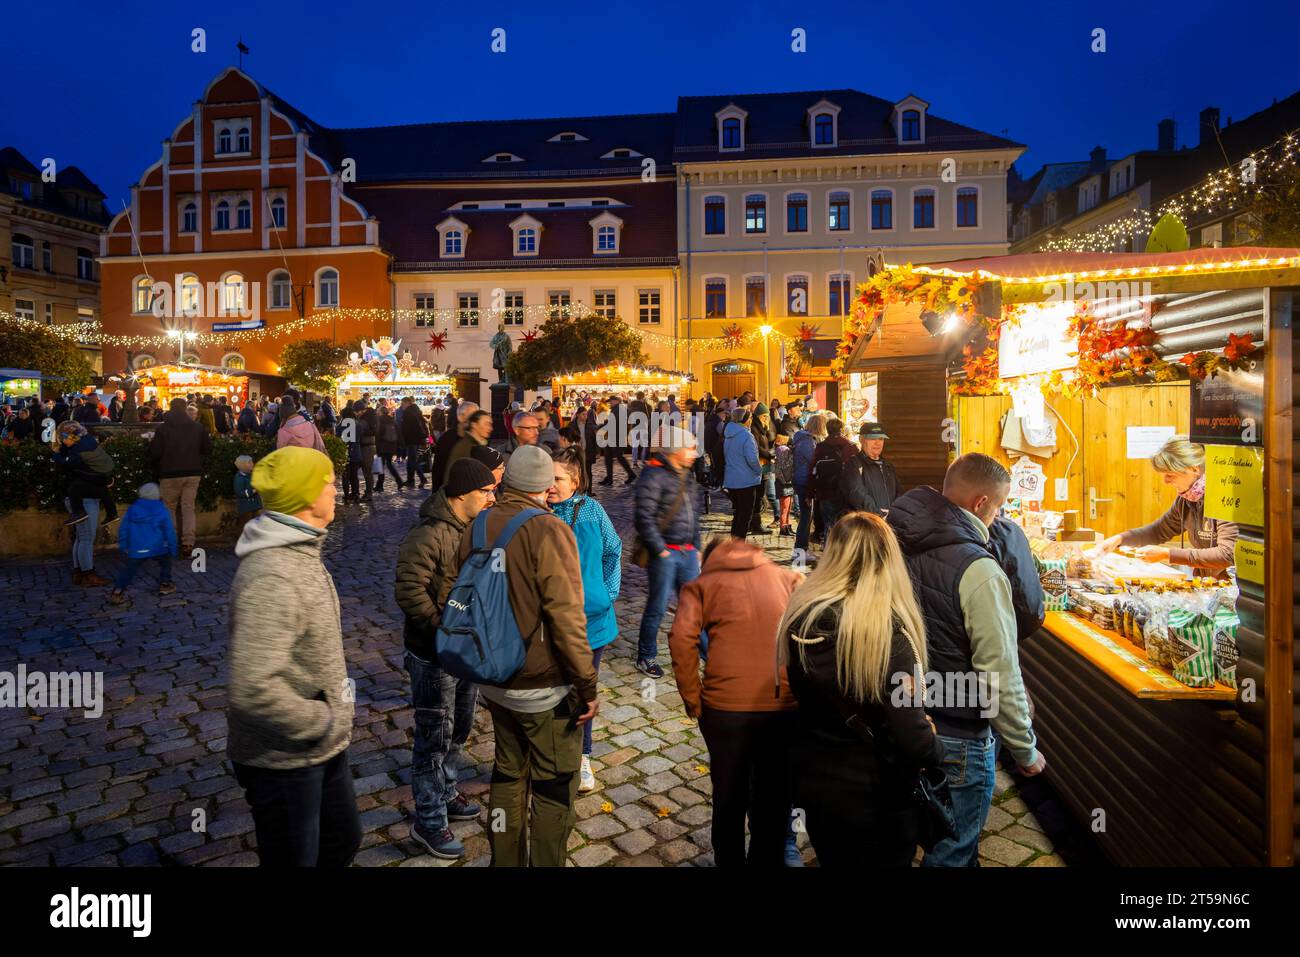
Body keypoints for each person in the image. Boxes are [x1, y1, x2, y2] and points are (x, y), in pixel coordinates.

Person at [886, 453, 1044, 867]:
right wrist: (1025, 750)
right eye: (1000, 507)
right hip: (959, 729)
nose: (1000, 517)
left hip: (904, 716)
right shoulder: (979, 569)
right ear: (980, 504)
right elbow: (999, 674)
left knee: (922, 831)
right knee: (953, 849)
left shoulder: (893, 539)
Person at [456, 446, 598, 867]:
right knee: (555, 785)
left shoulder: (480, 523)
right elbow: (566, 616)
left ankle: (505, 859)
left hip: (493, 676)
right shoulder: (549, 530)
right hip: (542, 683)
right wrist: (586, 682)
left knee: (507, 773)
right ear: (544, 485)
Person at [778, 511, 944, 867]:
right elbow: (912, 739)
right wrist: (934, 743)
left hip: (816, 783)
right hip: (877, 795)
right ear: (889, 560)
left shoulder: (800, 618)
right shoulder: (889, 636)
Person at [226, 447, 360, 867]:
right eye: (328, 482)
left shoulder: (301, 550)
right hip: (283, 757)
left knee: (341, 840)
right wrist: (321, 720)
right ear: (306, 496)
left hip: (319, 749)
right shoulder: (273, 572)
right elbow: (251, 687)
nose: (336, 489)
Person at [669, 536, 800, 866]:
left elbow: (681, 638)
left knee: (728, 795)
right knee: (773, 798)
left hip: (724, 709)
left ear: (709, 560)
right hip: (780, 707)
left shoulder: (701, 585)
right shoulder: (788, 578)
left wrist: (692, 698)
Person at [394, 458, 498, 858]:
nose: (492, 497)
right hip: (433, 652)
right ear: (461, 495)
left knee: (460, 727)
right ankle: (429, 821)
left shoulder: (474, 527)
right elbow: (409, 590)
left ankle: (448, 791)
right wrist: (443, 625)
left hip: (464, 649)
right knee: (433, 737)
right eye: (485, 491)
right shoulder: (429, 534)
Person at [547, 447, 621, 793]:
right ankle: (551, 754)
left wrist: (607, 592)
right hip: (549, 622)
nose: (550, 484)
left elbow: (613, 549)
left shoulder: (592, 510)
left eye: (557, 479)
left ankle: (582, 755)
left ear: (575, 481)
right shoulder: (539, 512)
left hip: (591, 620)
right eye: (547, 477)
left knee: (583, 690)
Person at [1088, 436, 1238, 576]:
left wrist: (1167, 554)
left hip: (1233, 591)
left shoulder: (1224, 496)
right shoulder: (1186, 499)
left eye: (1170, 475)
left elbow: (1227, 554)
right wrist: (1118, 539)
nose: (1165, 481)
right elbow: (1158, 531)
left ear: (1194, 469)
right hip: (1210, 586)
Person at [633, 427, 700, 678]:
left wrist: (697, 547)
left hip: (688, 552)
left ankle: (704, 651)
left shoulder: (686, 475)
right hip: (666, 554)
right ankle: (646, 655)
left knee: (693, 605)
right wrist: (660, 550)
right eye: (690, 448)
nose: (694, 454)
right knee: (658, 606)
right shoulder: (653, 476)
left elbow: (694, 514)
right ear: (675, 450)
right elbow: (643, 517)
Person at [51, 422, 113, 586]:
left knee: (81, 537)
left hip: (80, 497)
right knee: (86, 538)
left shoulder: (70, 451)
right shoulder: (80, 451)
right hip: (85, 498)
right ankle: (88, 574)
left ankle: (79, 573)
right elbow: (90, 474)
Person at [150, 397, 212, 556]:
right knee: (188, 508)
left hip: (169, 473)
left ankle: (170, 542)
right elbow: (207, 449)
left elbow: (155, 453)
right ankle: (188, 543)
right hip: (192, 472)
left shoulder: (162, 428)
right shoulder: (197, 427)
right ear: (185, 409)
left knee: (169, 508)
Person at [108, 483, 178, 605]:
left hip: (137, 548)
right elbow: (169, 530)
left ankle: (118, 591)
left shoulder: (133, 509)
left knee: (129, 570)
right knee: (166, 562)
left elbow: (123, 528)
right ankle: (165, 584)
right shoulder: (161, 509)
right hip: (158, 547)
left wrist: (123, 545)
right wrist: (173, 547)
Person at [840, 422, 900, 516]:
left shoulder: (888, 466)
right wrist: (878, 514)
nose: (877, 443)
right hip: (868, 523)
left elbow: (899, 492)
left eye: (881, 439)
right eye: (872, 439)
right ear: (861, 440)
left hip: (889, 523)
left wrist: (895, 514)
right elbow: (856, 493)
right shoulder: (853, 464)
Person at [809, 417, 858, 533]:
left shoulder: (821, 447)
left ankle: (829, 549)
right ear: (841, 429)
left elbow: (813, 471)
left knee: (829, 526)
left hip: (825, 492)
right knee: (845, 528)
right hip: (845, 494)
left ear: (827, 429)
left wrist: (810, 493)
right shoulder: (851, 447)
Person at [721, 408, 761, 540]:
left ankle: (734, 541)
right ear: (744, 420)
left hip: (732, 479)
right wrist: (758, 470)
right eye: (750, 418)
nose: (751, 420)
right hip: (746, 480)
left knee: (738, 513)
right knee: (745, 515)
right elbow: (752, 459)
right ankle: (739, 545)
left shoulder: (729, 433)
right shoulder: (746, 436)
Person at [792, 413, 826, 552]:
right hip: (804, 481)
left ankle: (801, 549)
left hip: (801, 480)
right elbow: (814, 460)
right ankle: (800, 550)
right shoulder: (808, 441)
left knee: (807, 516)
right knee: (806, 517)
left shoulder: (803, 438)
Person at [429, 401, 478, 493]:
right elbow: (439, 468)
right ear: (460, 417)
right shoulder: (448, 438)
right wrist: (437, 493)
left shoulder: (479, 437)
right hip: (454, 490)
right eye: (472, 415)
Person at [342, 398, 377, 503]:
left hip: (366, 447)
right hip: (365, 446)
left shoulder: (365, 419)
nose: (356, 414)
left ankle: (368, 493)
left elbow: (360, 432)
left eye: (357, 412)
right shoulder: (367, 417)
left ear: (361, 410)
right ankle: (361, 492)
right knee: (362, 471)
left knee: (367, 471)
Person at [444, 409, 492, 484]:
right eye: (486, 424)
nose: (490, 428)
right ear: (474, 425)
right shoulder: (465, 446)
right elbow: (451, 477)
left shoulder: (480, 444)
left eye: (490, 424)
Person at [597, 398, 636, 486]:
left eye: (611, 401)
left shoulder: (619, 409)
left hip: (616, 437)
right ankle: (610, 478)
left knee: (617, 456)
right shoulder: (619, 409)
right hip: (615, 436)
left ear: (617, 401)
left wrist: (601, 426)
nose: (610, 403)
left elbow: (613, 423)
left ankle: (630, 474)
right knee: (609, 457)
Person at [400, 397, 432, 489]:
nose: (401, 406)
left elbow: (409, 427)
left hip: (411, 439)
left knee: (413, 461)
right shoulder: (416, 410)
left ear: (407, 403)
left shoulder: (408, 412)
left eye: (402, 404)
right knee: (410, 461)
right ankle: (410, 480)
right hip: (415, 439)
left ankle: (422, 479)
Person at [374, 402, 404, 491]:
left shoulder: (380, 420)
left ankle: (379, 486)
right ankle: (399, 481)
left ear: (380, 412)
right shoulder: (392, 420)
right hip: (391, 446)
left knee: (381, 465)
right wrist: (400, 445)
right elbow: (398, 433)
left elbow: (378, 434)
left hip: (382, 446)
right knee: (389, 465)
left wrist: (376, 445)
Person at [233, 454, 263, 534]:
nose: (252, 464)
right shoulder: (239, 478)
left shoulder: (251, 475)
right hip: (246, 507)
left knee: (257, 524)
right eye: (249, 462)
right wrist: (252, 491)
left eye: (252, 462)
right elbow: (239, 492)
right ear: (242, 465)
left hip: (255, 505)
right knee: (245, 524)